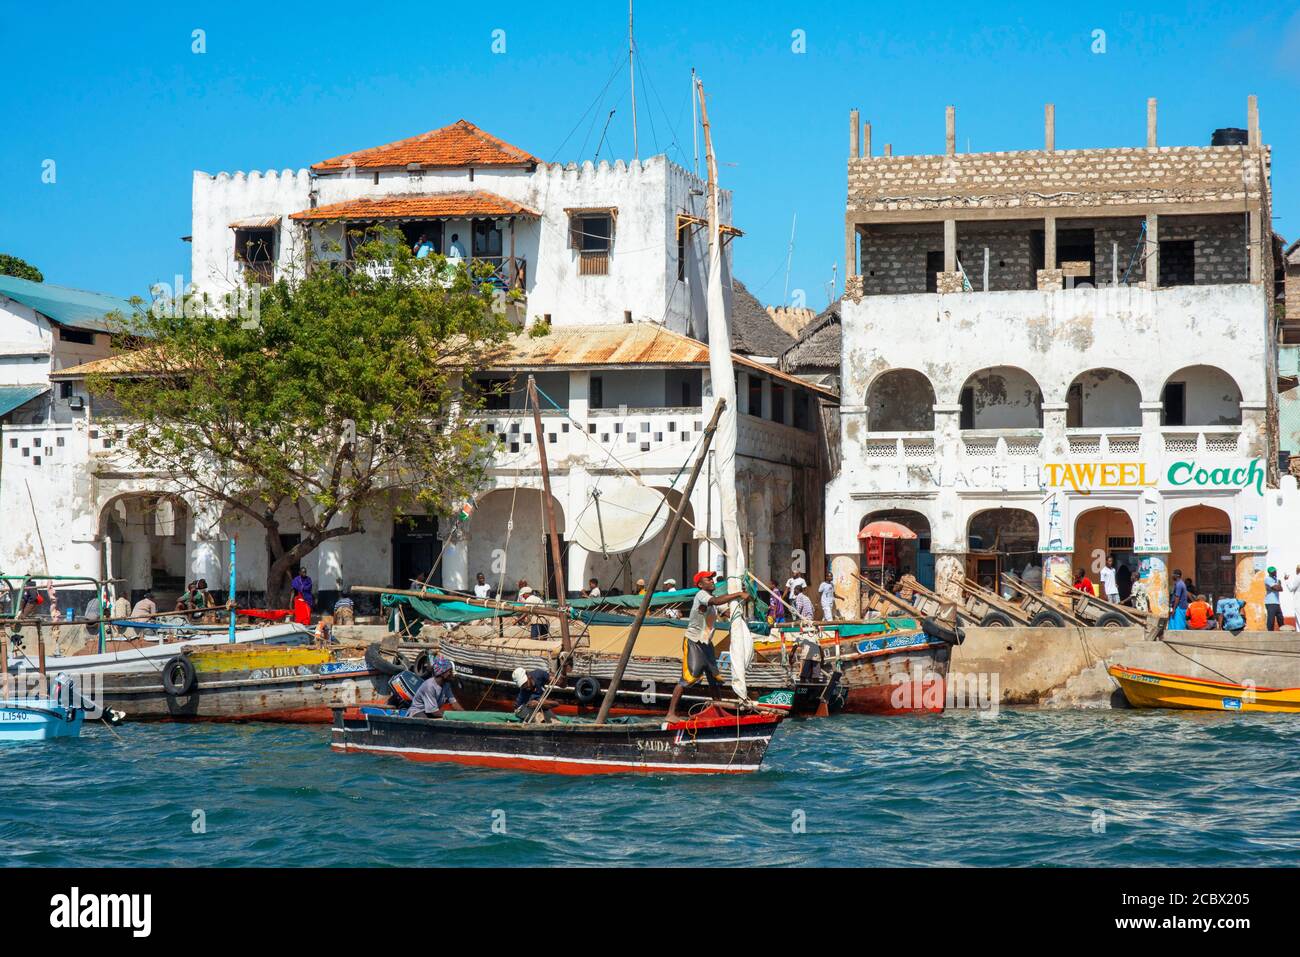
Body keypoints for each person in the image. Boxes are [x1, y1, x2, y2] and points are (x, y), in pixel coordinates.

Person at [664, 570, 746, 722]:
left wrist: (740, 614)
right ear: (701, 584)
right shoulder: (701, 595)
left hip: (706, 643)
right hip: (694, 642)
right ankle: (670, 713)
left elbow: (726, 611)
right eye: (708, 579)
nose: (712, 581)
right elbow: (715, 601)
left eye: (712, 579)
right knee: (688, 678)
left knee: (713, 677)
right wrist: (738, 594)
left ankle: (719, 711)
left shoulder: (713, 600)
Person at [1265, 566, 1284, 631]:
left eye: (1275, 571)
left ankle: (1283, 632)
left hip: (1276, 602)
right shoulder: (1268, 579)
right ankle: (1269, 634)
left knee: (1280, 618)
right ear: (1270, 573)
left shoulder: (1276, 579)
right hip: (1270, 602)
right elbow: (1277, 588)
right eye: (1273, 572)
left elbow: (1281, 589)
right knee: (1271, 619)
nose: (1275, 573)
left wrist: (1277, 586)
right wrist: (1278, 586)